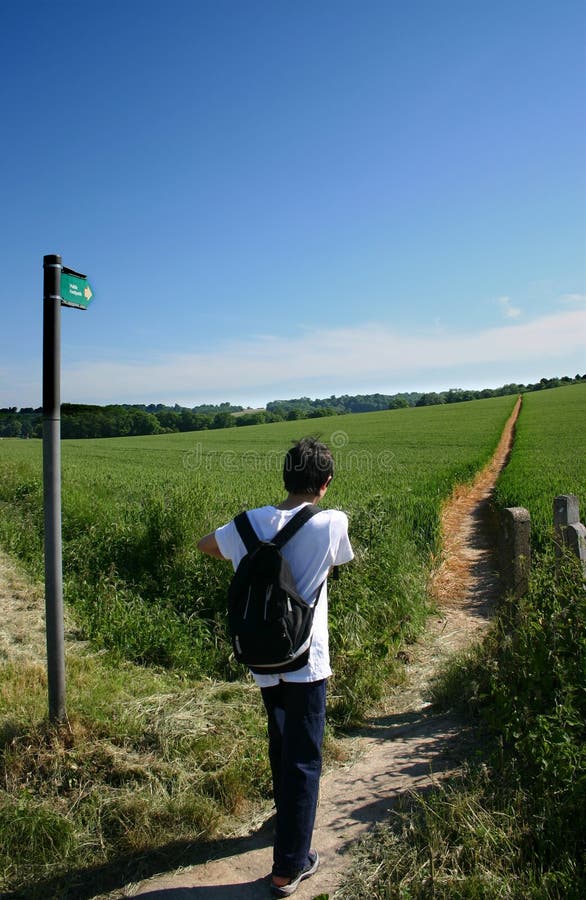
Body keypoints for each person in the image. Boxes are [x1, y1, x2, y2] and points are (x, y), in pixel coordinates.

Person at [197, 437, 353, 897]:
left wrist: (247, 554)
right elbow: (342, 559)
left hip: (263, 657)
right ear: (324, 484)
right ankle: (289, 866)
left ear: (284, 475)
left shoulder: (248, 523)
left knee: (281, 743)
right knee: (304, 758)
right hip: (307, 659)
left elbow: (207, 544)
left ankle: (283, 822)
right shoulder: (331, 523)